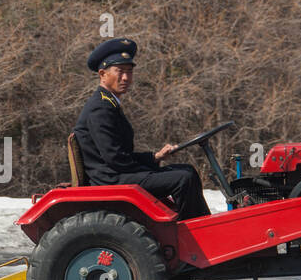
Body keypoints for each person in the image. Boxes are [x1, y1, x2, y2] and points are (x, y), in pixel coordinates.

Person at [71, 38, 211, 219]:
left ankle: (201, 226)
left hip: (115, 174)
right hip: (110, 179)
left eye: (129, 72)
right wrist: (148, 170)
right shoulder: (100, 107)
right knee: (183, 179)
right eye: (119, 71)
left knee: (187, 171)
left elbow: (120, 154)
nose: (125, 78)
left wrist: (155, 157)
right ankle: (198, 233)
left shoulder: (109, 103)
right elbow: (115, 158)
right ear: (102, 73)